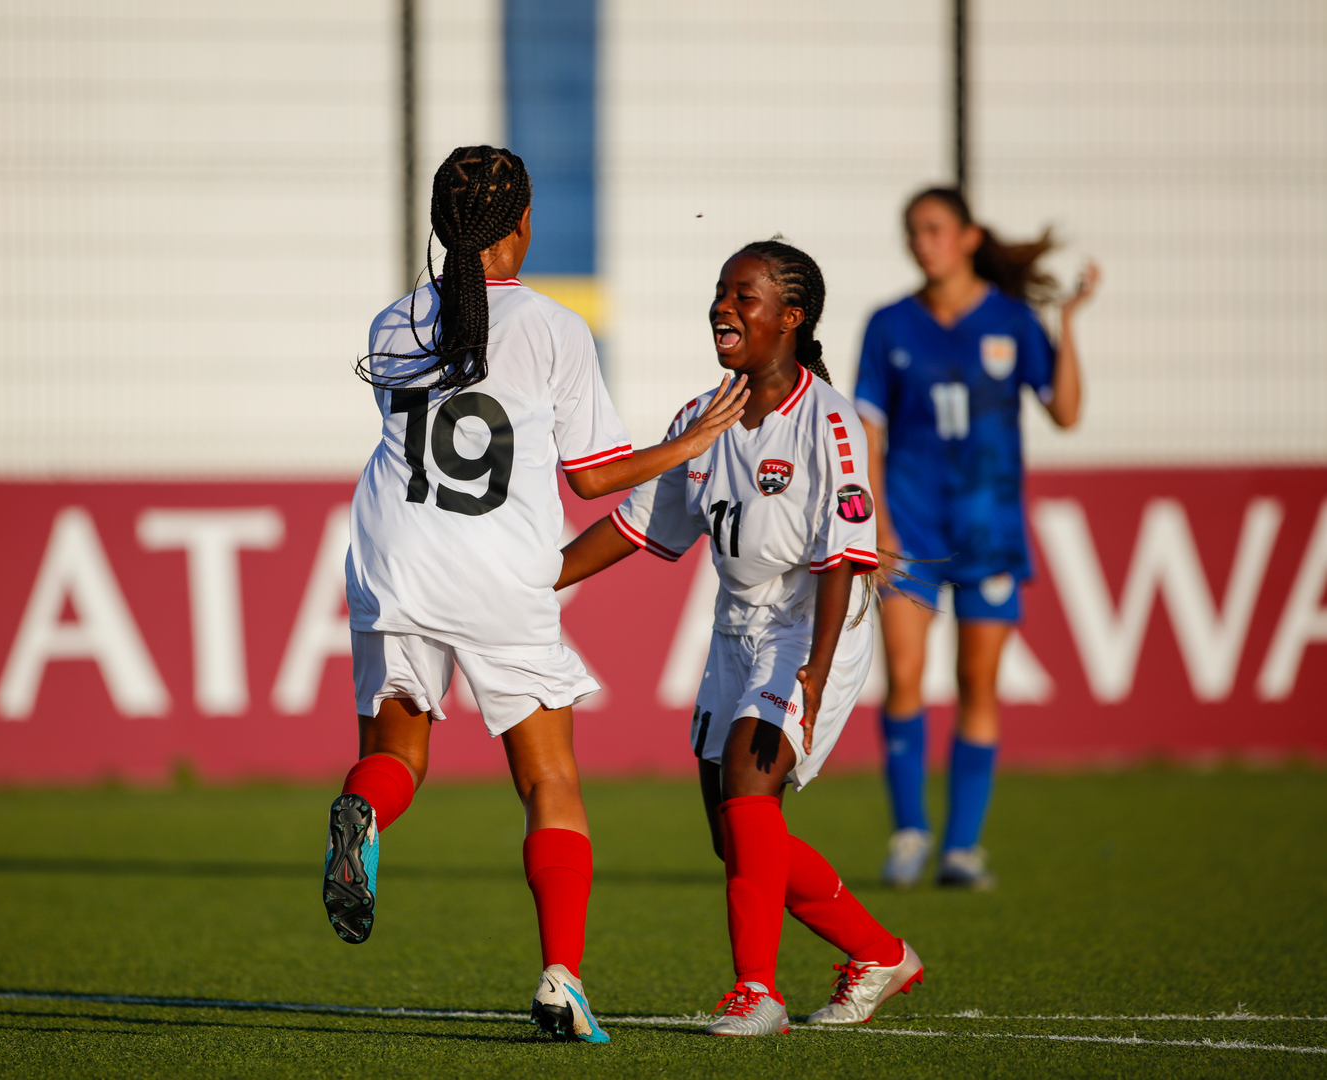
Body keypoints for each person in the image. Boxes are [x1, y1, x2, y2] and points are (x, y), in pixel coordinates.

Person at [326, 145, 749, 1043]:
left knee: (397, 750)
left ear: (440, 225)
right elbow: (593, 479)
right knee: (549, 777)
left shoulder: (392, 322)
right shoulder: (555, 327)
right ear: (521, 225)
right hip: (494, 571)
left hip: (391, 556)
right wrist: (686, 444)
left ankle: (365, 813)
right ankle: (562, 978)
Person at [556, 240, 923, 1037]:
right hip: (735, 634)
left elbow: (844, 556)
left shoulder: (830, 419)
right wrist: (538, 580)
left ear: (791, 318)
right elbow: (635, 527)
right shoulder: (702, 418)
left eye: (743, 295)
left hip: (810, 626)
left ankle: (757, 992)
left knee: (750, 791)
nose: (723, 307)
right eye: (721, 292)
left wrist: (816, 670)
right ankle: (880, 953)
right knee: (737, 836)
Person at [854, 188, 1099, 890]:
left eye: (934, 229)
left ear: (967, 237)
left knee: (976, 684)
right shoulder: (889, 324)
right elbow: (869, 430)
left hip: (988, 530)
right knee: (904, 675)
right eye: (913, 231)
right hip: (911, 526)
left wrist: (1067, 324)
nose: (922, 242)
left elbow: (1066, 413)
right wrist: (877, 523)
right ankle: (909, 833)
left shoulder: (1013, 321)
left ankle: (961, 849)